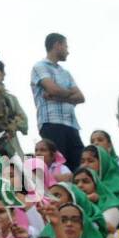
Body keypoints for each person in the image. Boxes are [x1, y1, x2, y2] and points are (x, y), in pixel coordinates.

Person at [31, 32, 86, 172]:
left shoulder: (65, 73)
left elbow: (80, 97)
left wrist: (58, 96)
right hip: (51, 123)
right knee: (57, 167)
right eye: (66, 46)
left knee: (79, 165)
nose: (68, 51)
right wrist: (67, 95)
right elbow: (52, 89)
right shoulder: (40, 66)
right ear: (57, 45)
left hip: (71, 125)